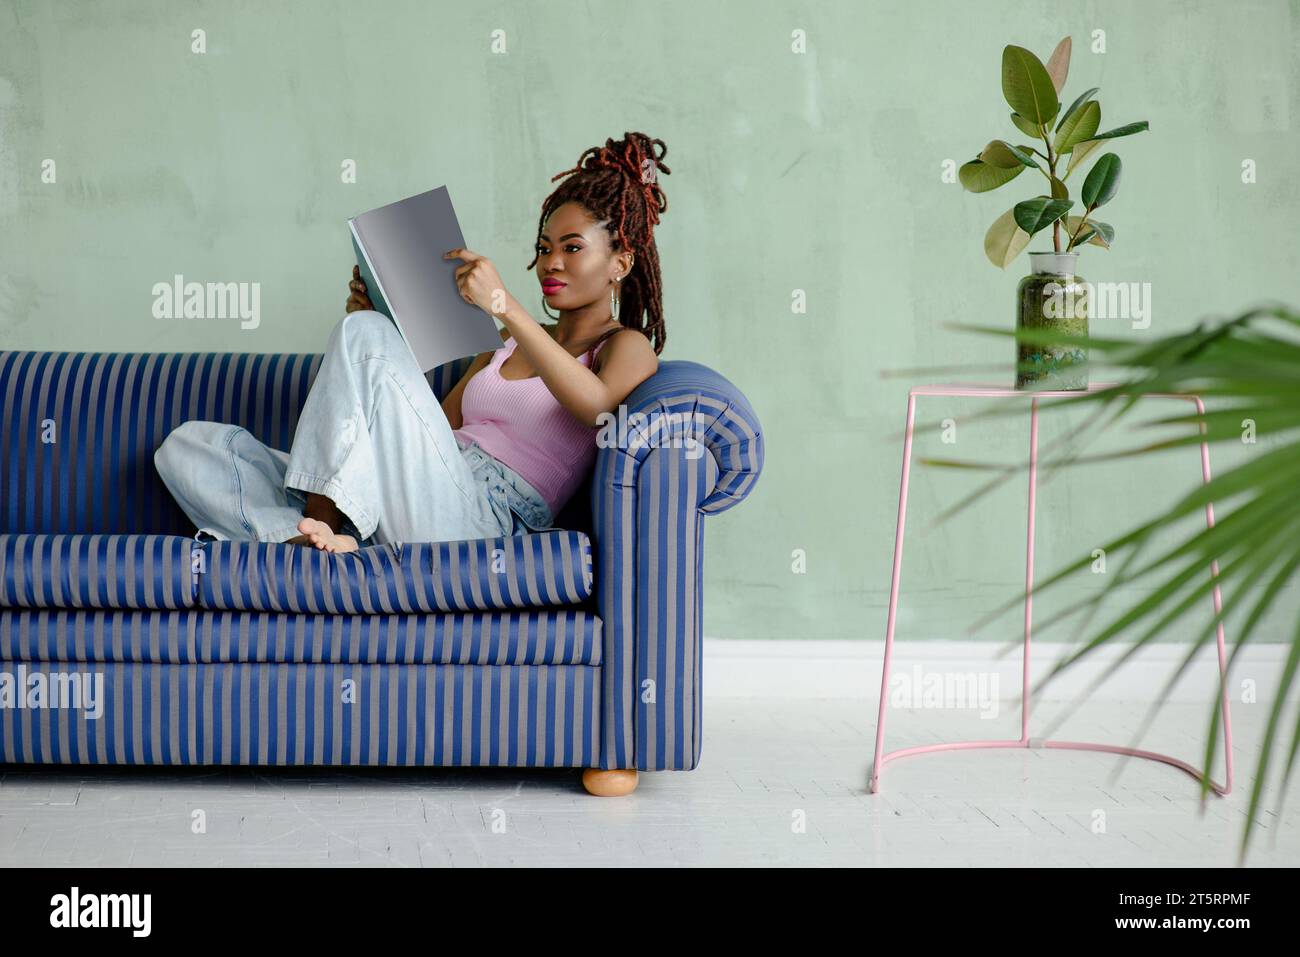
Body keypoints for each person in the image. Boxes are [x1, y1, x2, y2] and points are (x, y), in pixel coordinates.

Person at [154, 132, 669, 553]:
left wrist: (503, 304)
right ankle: (302, 540)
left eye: (572, 248)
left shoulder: (624, 346)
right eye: (544, 247)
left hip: (481, 523)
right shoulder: (507, 343)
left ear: (620, 263)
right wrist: (374, 346)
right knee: (190, 447)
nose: (552, 262)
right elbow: (437, 431)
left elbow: (599, 410)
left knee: (367, 337)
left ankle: (320, 523)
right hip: (418, 496)